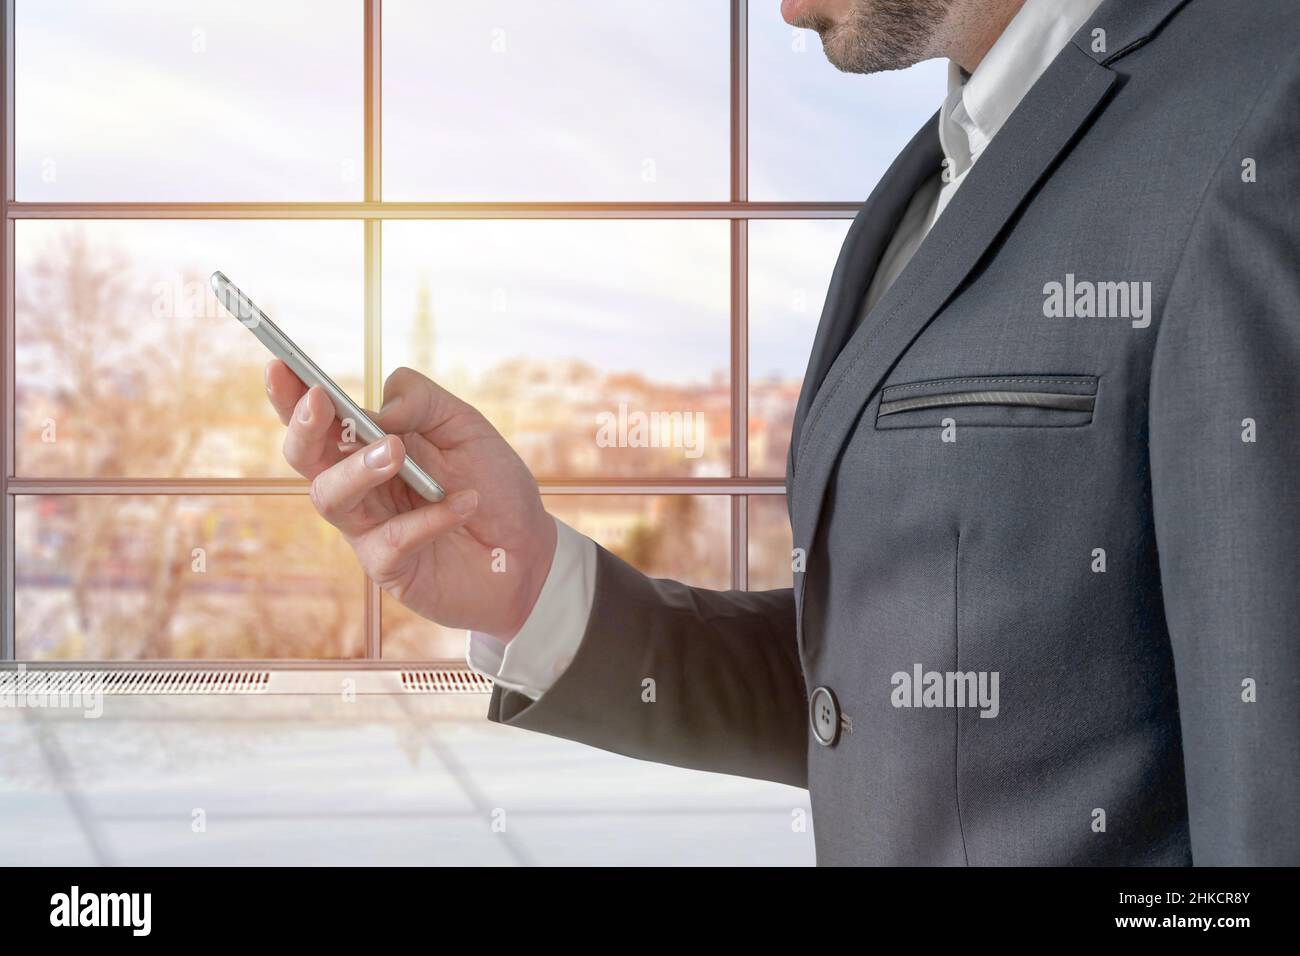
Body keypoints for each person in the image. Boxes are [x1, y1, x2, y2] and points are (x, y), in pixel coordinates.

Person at [265, 0, 1300, 865]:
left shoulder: (1261, 111)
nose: (784, 9)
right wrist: (534, 587)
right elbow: (875, 686)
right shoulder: (929, 178)